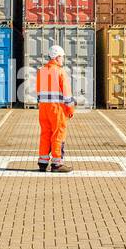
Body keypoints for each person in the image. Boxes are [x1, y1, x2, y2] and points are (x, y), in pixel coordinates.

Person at [36, 44, 76, 173]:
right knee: (58, 134)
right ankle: (57, 164)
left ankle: (42, 163)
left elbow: (38, 92)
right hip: (57, 109)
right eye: (62, 57)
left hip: (43, 108)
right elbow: (67, 94)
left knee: (45, 134)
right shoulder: (60, 72)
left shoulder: (41, 71)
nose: (63, 59)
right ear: (58, 57)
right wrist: (70, 110)